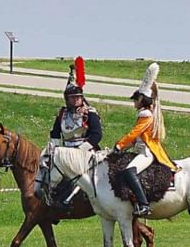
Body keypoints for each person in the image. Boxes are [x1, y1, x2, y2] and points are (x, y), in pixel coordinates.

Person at [110, 63, 177, 217]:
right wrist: (124, 148)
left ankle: (144, 204)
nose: (134, 102)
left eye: (135, 100)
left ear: (141, 99)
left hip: (146, 152)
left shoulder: (145, 115)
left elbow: (135, 133)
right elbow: (137, 138)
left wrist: (120, 145)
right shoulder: (144, 114)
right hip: (141, 148)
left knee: (129, 171)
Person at [34, 59, 103, 203]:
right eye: (73, 98)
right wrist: (53, 149)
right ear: (67, 99)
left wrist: (80, 150)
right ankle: (48, 193)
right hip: (65, 150)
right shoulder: (62, 114)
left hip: (86, 150)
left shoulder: (89, 113)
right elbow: (55, 133)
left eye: (78, 97)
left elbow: (97, 135)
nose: (76, 100)